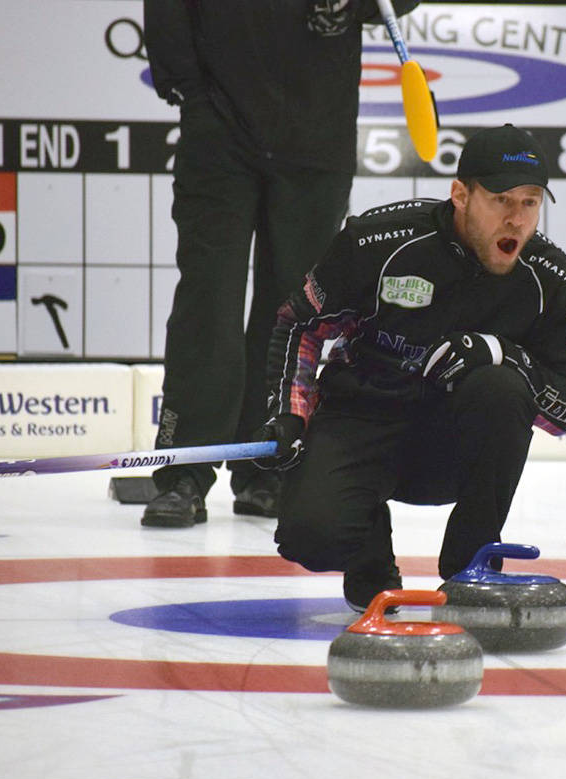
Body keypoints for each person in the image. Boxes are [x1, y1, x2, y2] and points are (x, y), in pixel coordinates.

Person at [251, 124, 566, 610]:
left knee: (501, 388)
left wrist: (505, 354)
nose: (517, 220)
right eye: (501, 200)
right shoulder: (377, 242)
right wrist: (289, 414)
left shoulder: (551, 281)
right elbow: (299, 325)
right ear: (460, 195)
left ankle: (470, 571)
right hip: (362, 423)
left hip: (450, 448)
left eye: (531, 202)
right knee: (311, 538)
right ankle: (370, 563)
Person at [139, 0, 422, 528]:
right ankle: (183, 470)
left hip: (317, 129)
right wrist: (187, 88)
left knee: (293, 308)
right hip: (219, 126)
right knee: (209, 301)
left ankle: (268, 463)